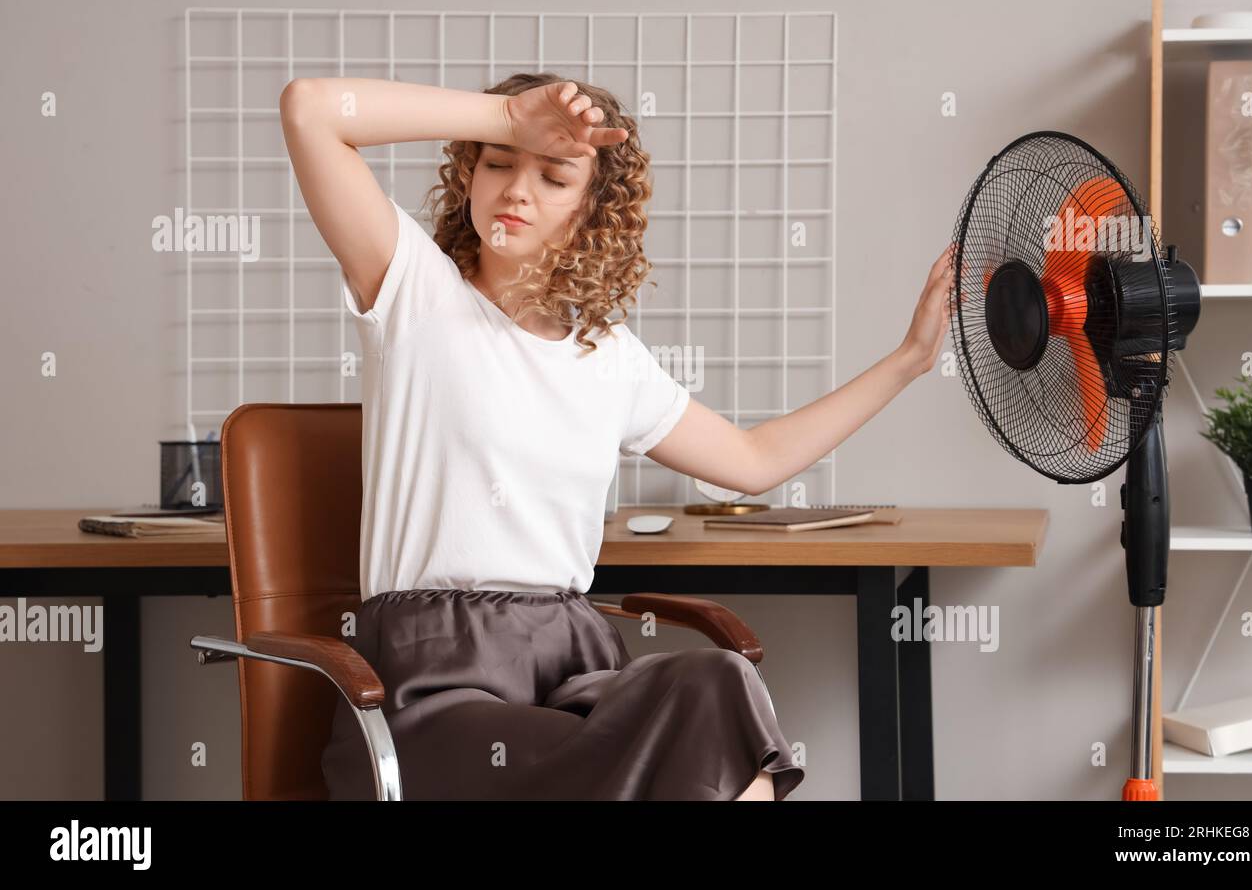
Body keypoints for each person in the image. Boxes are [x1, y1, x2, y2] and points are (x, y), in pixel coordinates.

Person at [280, 72, 953, 801]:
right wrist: (507, 116)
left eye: (553, 174)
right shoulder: (413, 288)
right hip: (430, 693)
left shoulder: (608, 356)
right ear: (470, 172)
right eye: (499, 161)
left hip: (572, 669)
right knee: (681, 763)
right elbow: (310, 111)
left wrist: (908, 363)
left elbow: (753, 463)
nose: (515, 190)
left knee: (715, 680)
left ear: (590, 213)